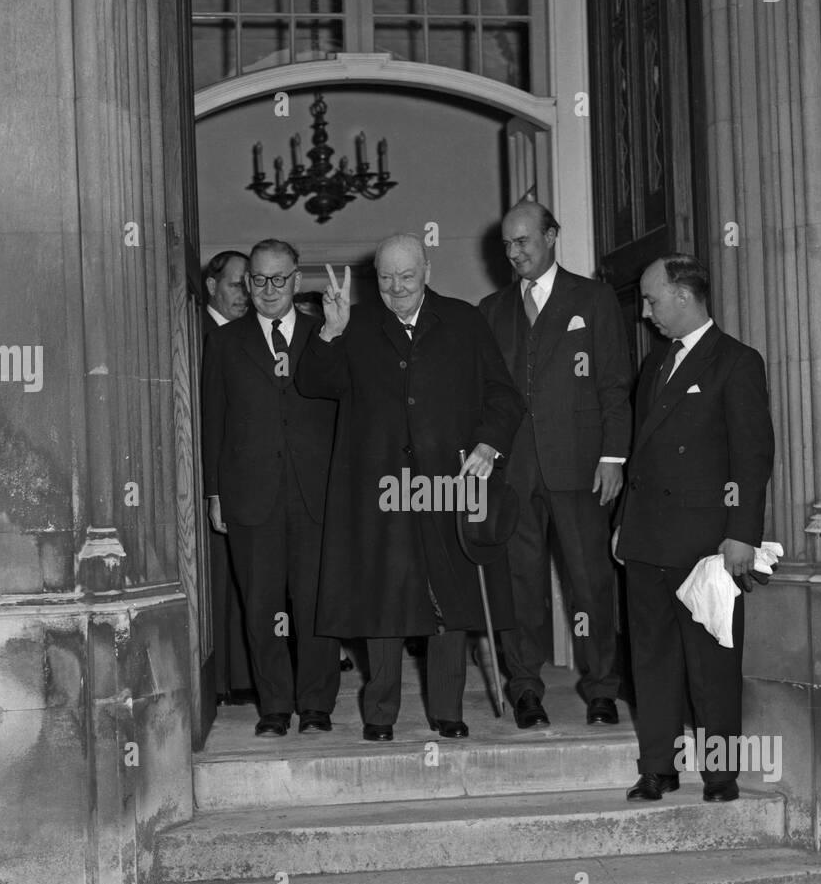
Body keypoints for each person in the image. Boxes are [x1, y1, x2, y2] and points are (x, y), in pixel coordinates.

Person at [297, 234, 524, 741]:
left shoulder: (464, 321)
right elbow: (314, 384)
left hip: (448, 481)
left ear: (427, 270)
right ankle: (380, 713)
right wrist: (331, 332)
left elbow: (504, 396)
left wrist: (489, 446)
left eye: (406, 275)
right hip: (380, 487)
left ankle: (448, 711)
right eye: (385, 278)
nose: (396, 287)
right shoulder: (354, 326)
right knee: (383, 599)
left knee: (452, 595)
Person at [614, 254, 775, 802]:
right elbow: (640, 457)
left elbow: (752, 458)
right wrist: (623, 527)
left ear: (683, 296)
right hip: (647, 538)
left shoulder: (736, 362)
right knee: (650, 661)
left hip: (708, 544)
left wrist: (742, 535)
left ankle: (720, 774)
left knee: (712, 664)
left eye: (652, 300)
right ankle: (658, 767)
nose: (645, 311)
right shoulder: (655, 365)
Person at [479, 200, 632, 730]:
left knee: (590, 582)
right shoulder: (491, 311)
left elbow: (614, 384)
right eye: (506, 244)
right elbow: (484, 397)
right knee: (519, 583)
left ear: (551, 235)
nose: (514, 251)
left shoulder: (593, 299)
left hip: (581, 467)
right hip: (513, 474)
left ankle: (602, 689)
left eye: (523, 240)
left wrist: (614, 456)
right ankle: (525, 688)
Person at [201, 239, 340, 737]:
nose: (267, 290)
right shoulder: (224, 342)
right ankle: (275, 707)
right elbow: (212, 421)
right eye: (256, 280)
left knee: (317, 605)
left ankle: (318, 704)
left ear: (296, 280)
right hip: (250, 495)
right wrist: (214, 492)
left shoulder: (324, 335)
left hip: (315, 496)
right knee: (263, 606)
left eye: (278, 279)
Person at [201, 249, 254, 706]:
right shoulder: (195, 337)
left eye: (248, 284)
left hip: (251, 476)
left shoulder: (250, 336)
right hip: (211, 477)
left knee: (247, 581)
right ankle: (218, 680)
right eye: (236, 284)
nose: (245, 293)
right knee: (216, 581)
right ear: (212, 287)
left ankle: (241, 677)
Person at [202, 250, 249, 341]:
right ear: (212, 286)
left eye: (249, 287)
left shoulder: (257, 333)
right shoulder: (193, 332)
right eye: (236, 285)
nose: (245, 295)